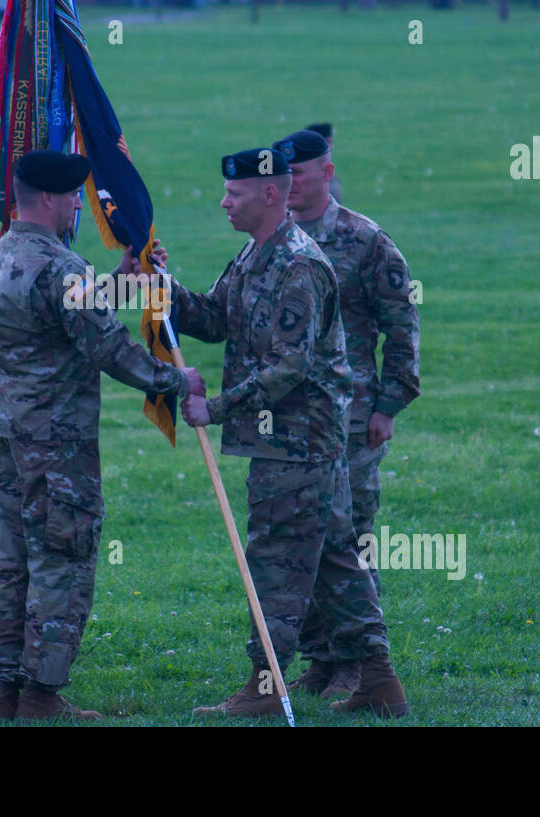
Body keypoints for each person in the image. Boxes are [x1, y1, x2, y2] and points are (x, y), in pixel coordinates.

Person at [160, 146, 407, 719]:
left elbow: (289, 366)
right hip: (296, 443)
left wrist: (215, 407)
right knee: (335, 560)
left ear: (269, 193)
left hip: (297, 444)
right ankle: (379, 680)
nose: (224, 202)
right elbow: (216, 319)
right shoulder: (254, 254)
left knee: (275, 560)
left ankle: (265, 688)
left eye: (235, 194)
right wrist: (162, 284)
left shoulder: (297, 263)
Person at [0, 150, 201, 722]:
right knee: (61, 561)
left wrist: (121, 282)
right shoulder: (62, 269)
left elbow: (57, 316)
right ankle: (42, 695)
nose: (79, 204)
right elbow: (108, 348)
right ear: (50, 198)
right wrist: (176, 378)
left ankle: (1, 693)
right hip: (54, 446)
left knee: (9, 562)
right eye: (75, 196)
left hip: (1, 435)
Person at [274, 129, 420, 698]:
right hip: (293, 423)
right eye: (283, 179)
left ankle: (363, 663)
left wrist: (388, 404)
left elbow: (401, 327)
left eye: (301, 176)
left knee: (350, 538)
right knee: (305, 539)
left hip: (355, 421)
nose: (291, 187)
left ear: (326, 173)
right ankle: (325, 658)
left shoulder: (364, 241)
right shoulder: (275, 241)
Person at [304, 122, 341, 202]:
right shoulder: (306, 175)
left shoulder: (331, 172)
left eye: (331, 142)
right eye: (326, 142)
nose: (331, 147)